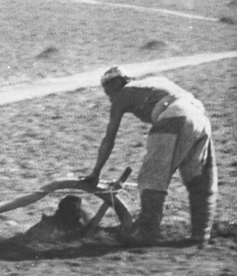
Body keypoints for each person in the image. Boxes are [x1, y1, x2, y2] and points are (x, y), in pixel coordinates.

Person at [83, 66, 217, 246]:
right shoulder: (155, 81)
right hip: (200, 116)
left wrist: (95, 172)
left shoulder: (124, 94)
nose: (109, 98)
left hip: (174, 115)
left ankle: (147, 234)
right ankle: (201, 235)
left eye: (108, 92)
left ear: (117, 83)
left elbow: (109, 138)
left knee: (151, 177)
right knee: (198, 178)